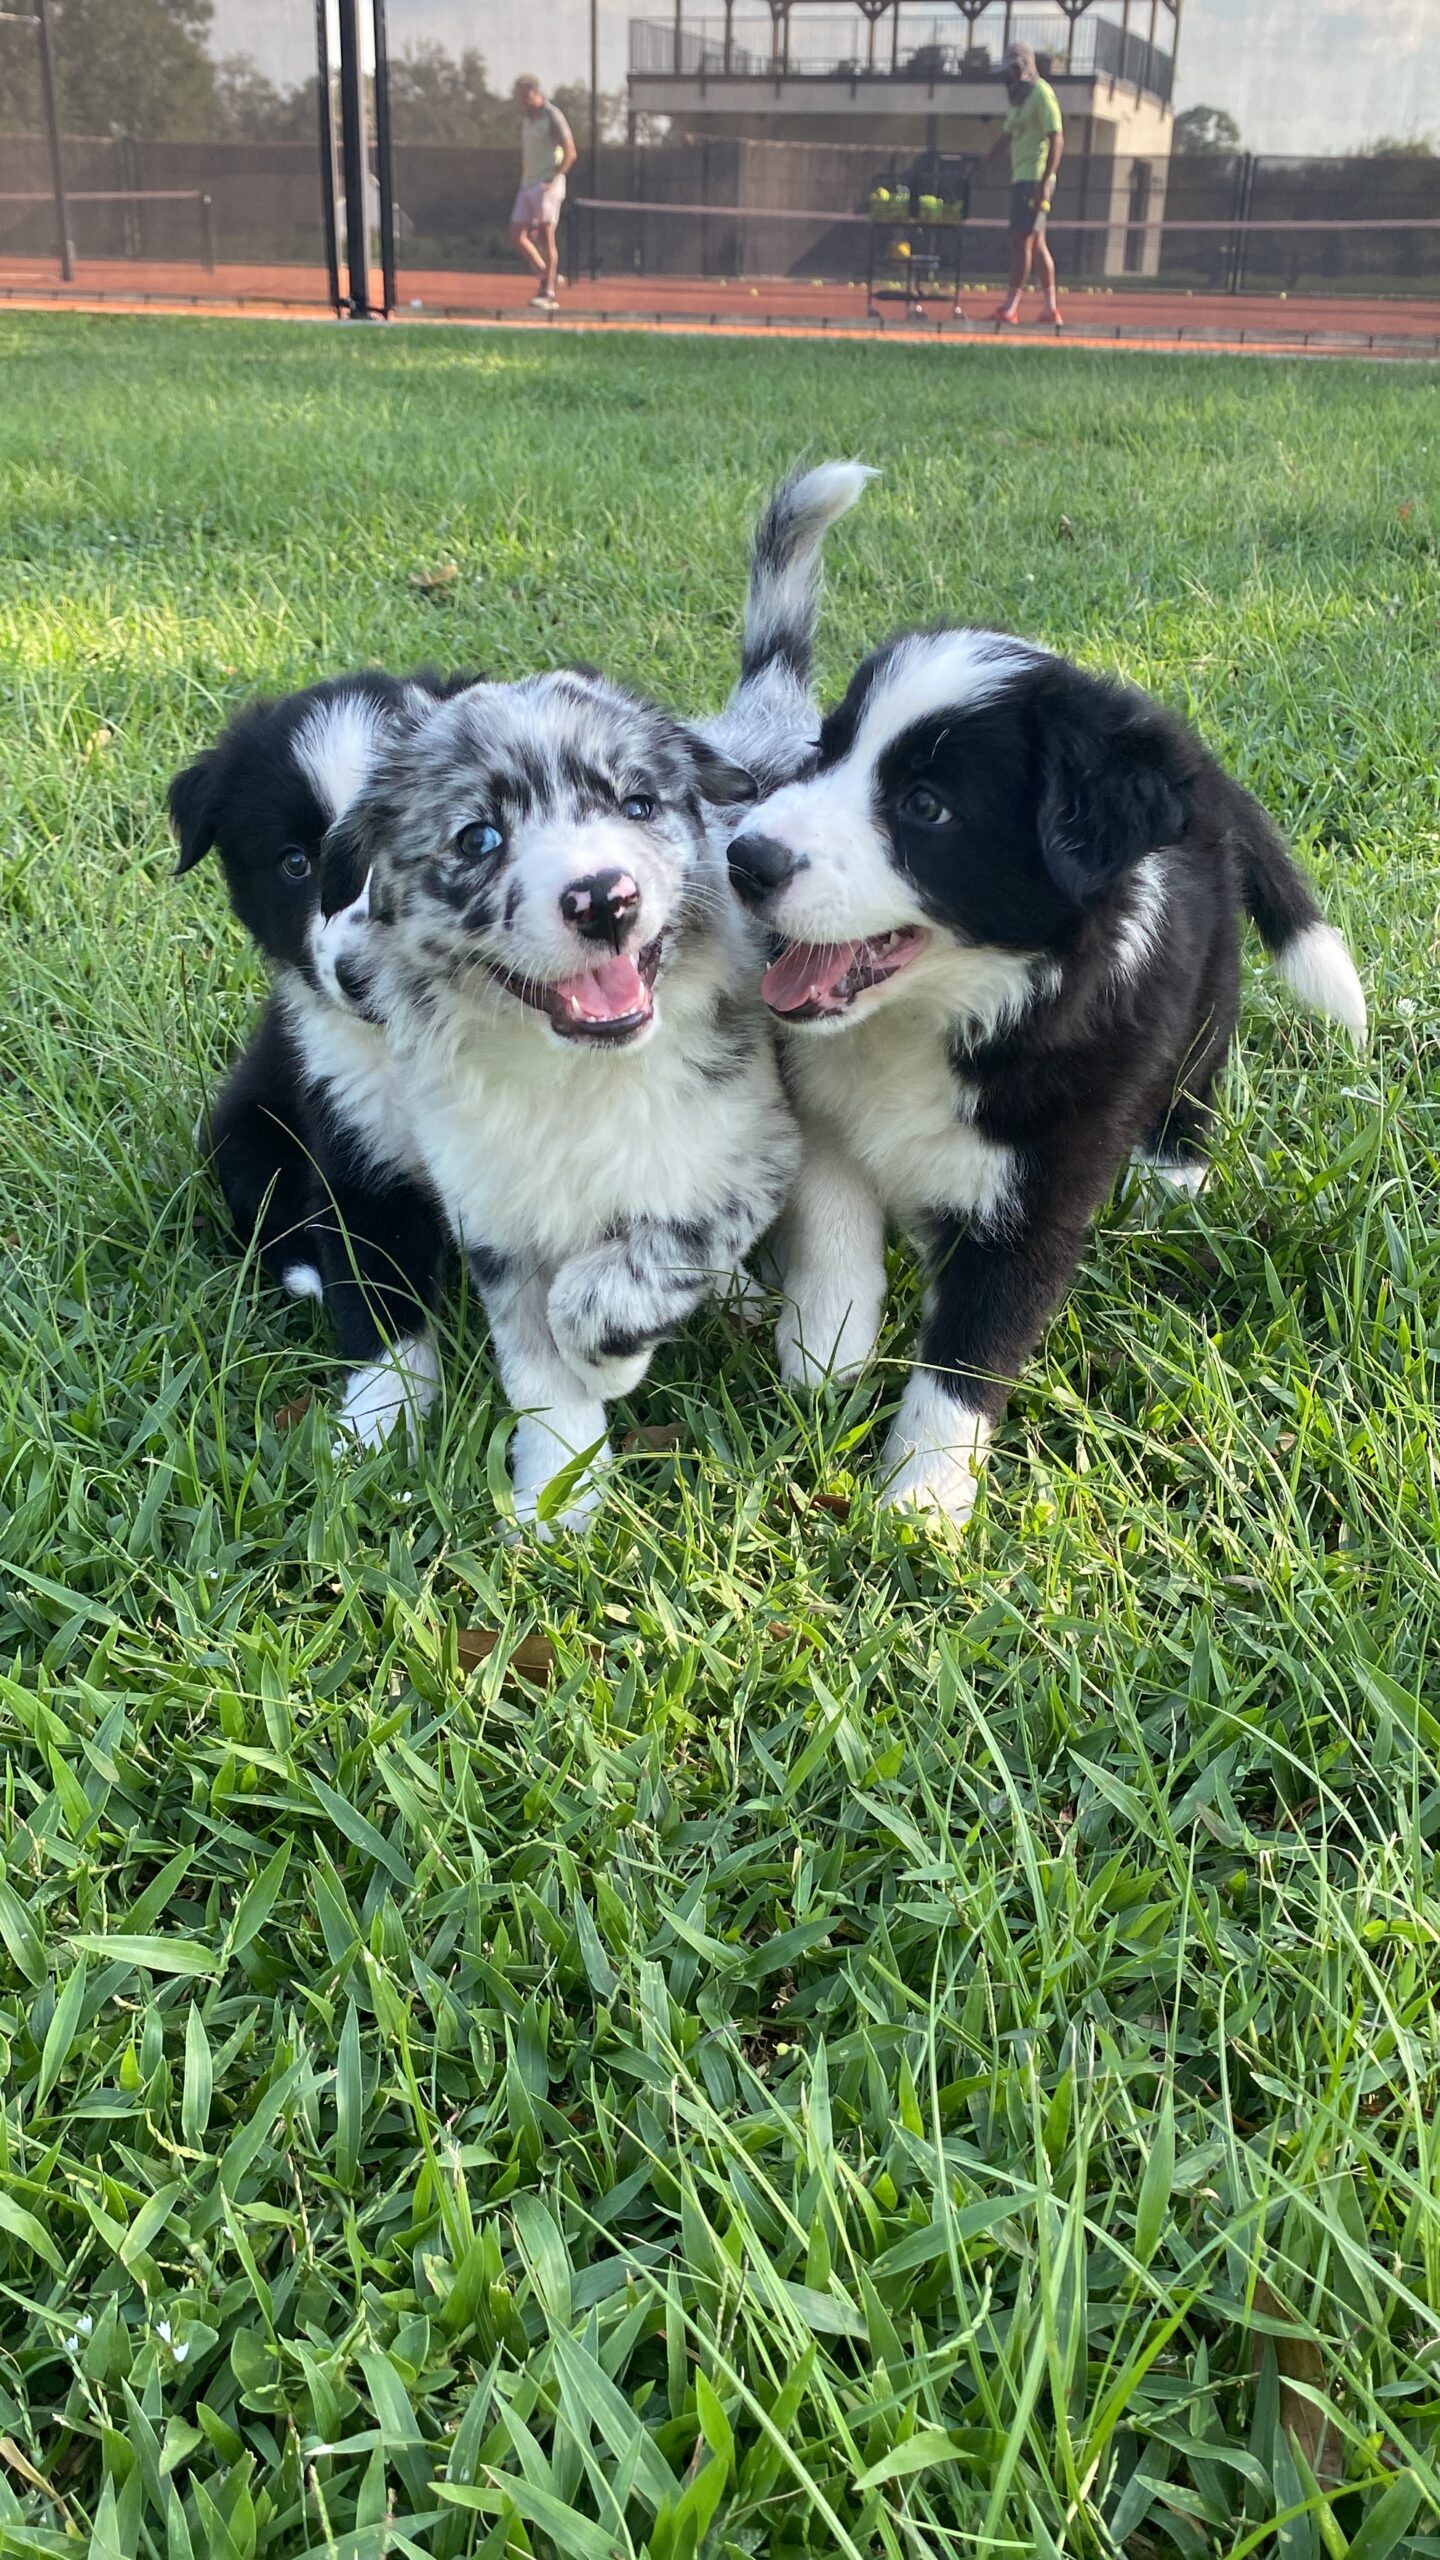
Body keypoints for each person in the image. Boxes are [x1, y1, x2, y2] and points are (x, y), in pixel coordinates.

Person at [975, 42, 1064, 328]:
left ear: (1024, 68)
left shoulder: (1041, 94)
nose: (1009, 77)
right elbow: (1006, 137)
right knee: (1037, 244)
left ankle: (1010, 308)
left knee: (1021, 241)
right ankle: (1051, 310)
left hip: (1034, 179)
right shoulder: (1019, 102)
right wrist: (984, 165)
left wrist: (1042, 184)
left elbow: (1056, 138)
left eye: (1013, 70)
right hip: (1020, 178)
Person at [510, 75, 577, 314]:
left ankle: (549, 294)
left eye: (523, 95)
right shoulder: (526, 119)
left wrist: (554, 178)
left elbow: (570, 152)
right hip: (527, 184)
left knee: (547, 235)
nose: (521, 100)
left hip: (547, 184)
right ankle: (546, 273)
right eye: (518, 96)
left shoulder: (552, 115)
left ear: (534, 92)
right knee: (517, 235)